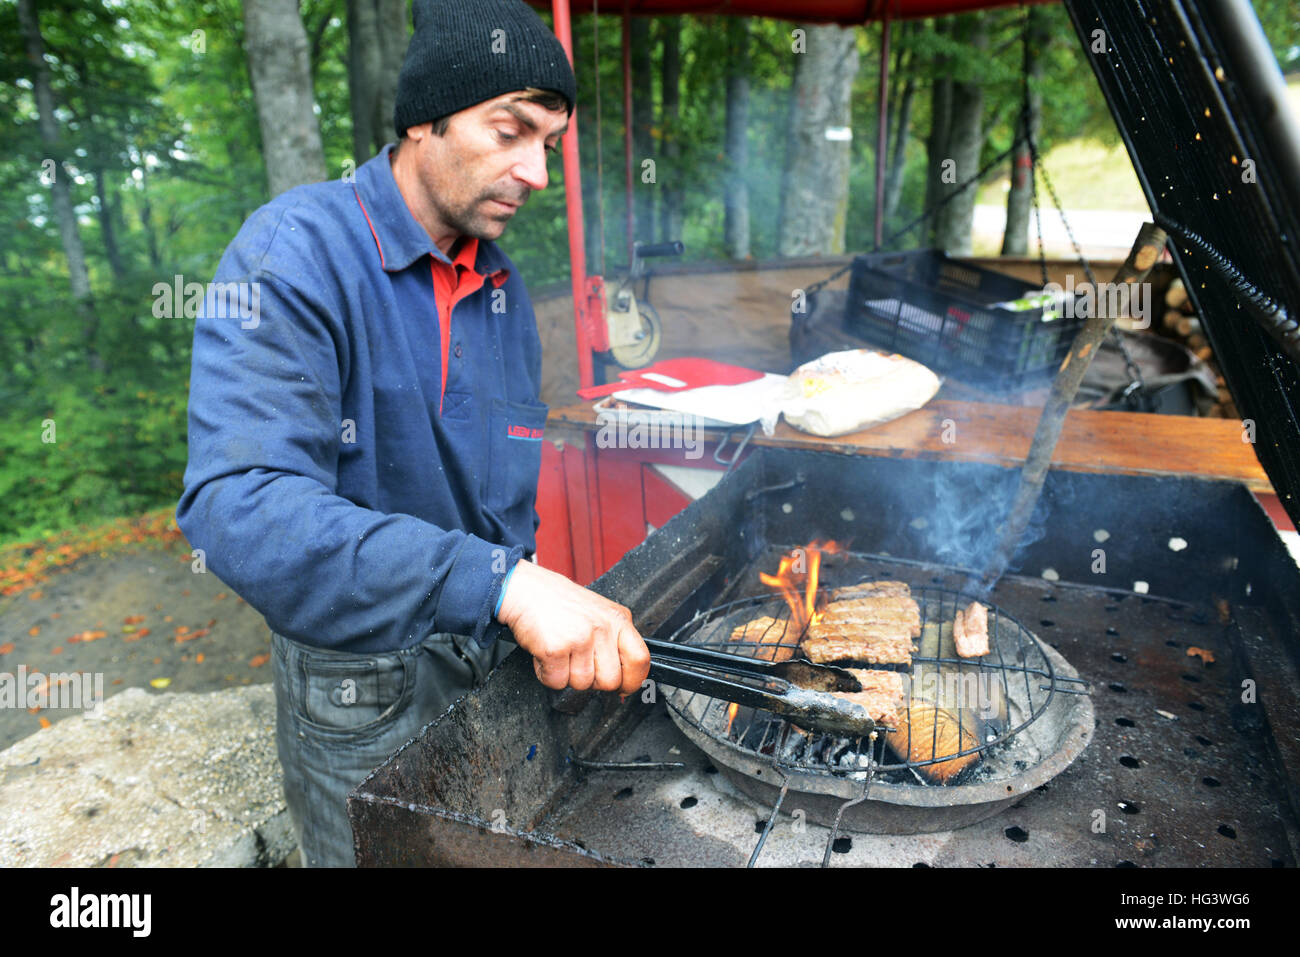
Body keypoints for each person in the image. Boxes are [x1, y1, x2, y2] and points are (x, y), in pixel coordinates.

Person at [176, 0, 649, 867]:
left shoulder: (502, 287)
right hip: (360, 689)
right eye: (510, 131)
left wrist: (527, 594)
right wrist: (501, 583)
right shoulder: (294, 254)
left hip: (487, 659)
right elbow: (239, 507)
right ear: (423, 118)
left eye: (548, 143)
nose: (537, 171)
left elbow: (502, 510)